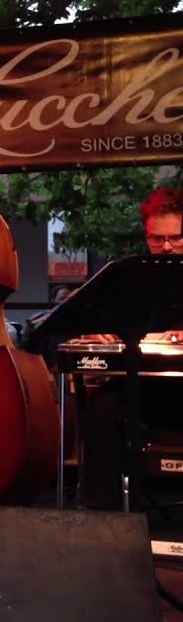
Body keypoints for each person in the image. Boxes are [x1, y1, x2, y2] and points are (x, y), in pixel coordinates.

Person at [79, 187, 183, 510]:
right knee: (103, 404)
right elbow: (96, 318)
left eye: (176, 238)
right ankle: (104, 517)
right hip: (145, 387)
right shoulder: (128, 278)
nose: (166, 246)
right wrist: (96, 330)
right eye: (157, 239)